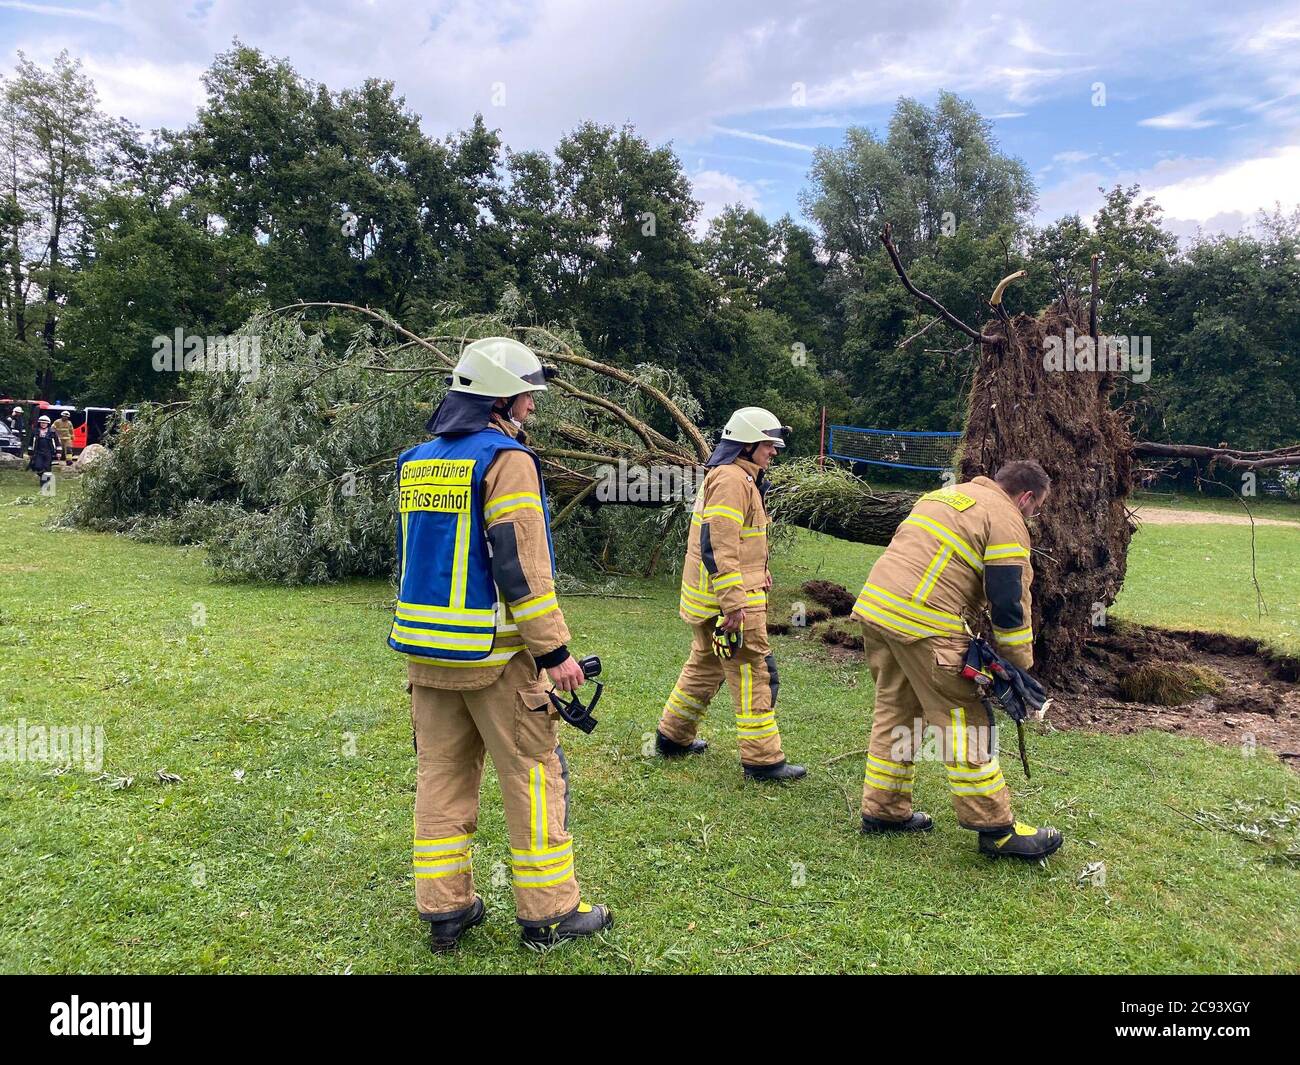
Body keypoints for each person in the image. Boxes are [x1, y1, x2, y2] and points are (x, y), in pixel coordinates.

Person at [391, 336, 612, 952]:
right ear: (500, 398)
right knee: (533, 774)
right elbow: (518, 566)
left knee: (441, 776)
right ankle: (549, 913)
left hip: (426, 652)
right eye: (526, 397)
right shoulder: (506, 460)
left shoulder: (421, 459)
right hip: (497, 659)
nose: (532, 410)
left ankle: (445, 910)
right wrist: (555, 652)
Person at [852, 459, 1063, 860]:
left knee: (898, 710)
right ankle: (997, 829)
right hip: (926, 621)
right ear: (1026, 497)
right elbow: (1008, 595)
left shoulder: (944, 495)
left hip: (877, 610)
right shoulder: (1005, 516)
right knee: (965, 718)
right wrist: (1018, 662)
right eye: (1035, 509)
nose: (1032, 516)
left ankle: (884, 810)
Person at [654, 406, 806, 781]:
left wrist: (762, 572)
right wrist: (735, 604)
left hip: (710, 600)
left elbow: (741, 540)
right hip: (728, 604)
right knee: (755, 672)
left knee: (704, 667)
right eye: (770, 445)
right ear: (749, 444)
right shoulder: (733, 480)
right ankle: (763, 760)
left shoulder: (736, 477)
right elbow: (717, 545)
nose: (774, 451)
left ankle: (673, 737)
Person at [28, 414, 64, 488]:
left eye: (45, 423)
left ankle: (44, 483)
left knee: (47, 468)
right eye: (42, 423)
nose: (43, 424)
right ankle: (43, 476)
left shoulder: (52, 432)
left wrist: (59, 453)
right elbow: (31, 443)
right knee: (38, 466)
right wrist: (30, 453)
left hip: (49, 452)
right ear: (39, 423)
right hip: (38, 452)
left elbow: (57, 443)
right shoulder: (35, 431)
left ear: (48, 423)